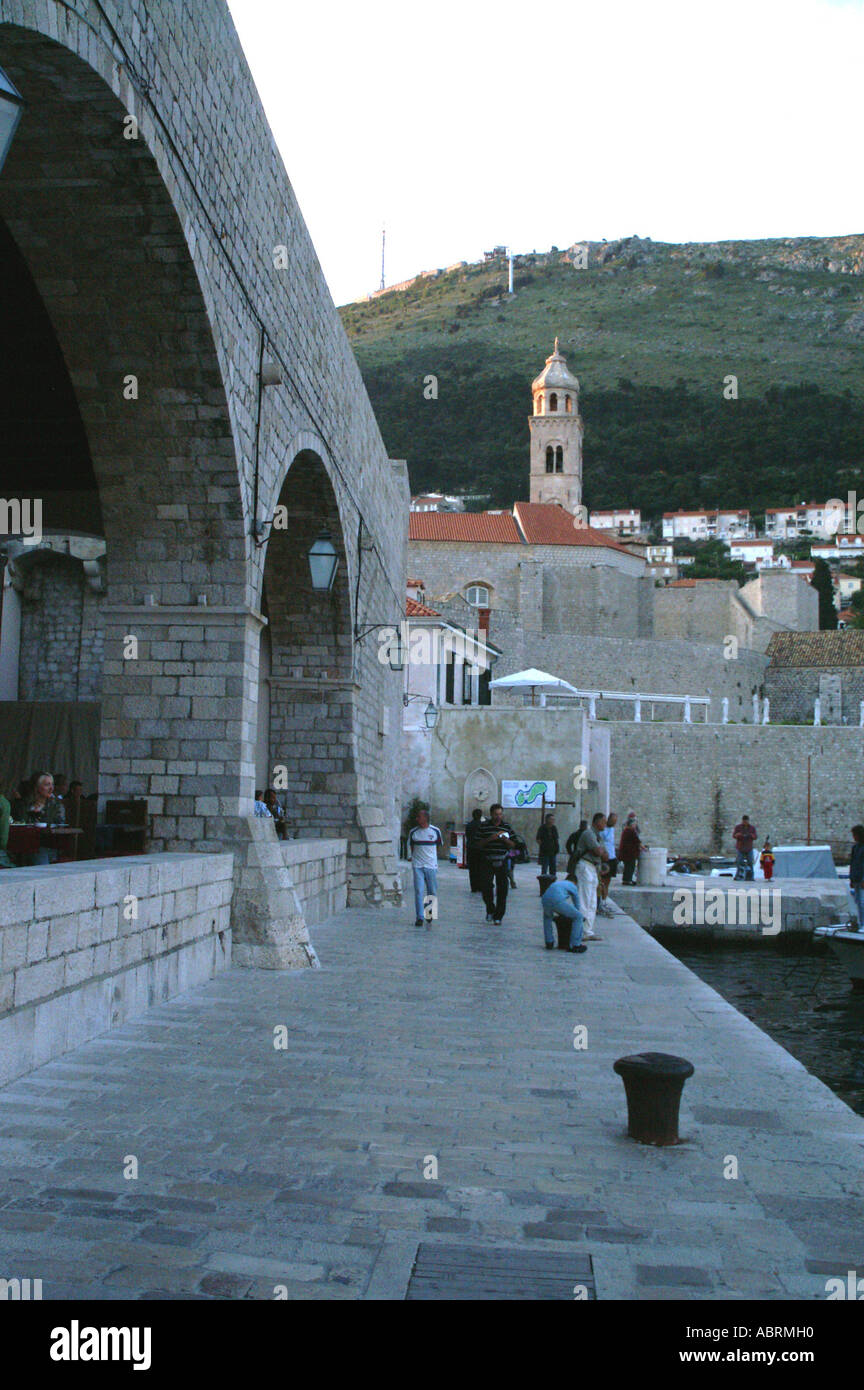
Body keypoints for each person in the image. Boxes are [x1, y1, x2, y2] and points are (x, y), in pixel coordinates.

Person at [477, 802, 517, 925]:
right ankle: (490, 908)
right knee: (486, 887)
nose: (498, 816)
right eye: (496, 814)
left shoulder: (507, 827)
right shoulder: (484, 827)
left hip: (502, 860)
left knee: (502, 889)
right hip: (487, 861)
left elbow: (514, 844)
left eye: (500, 814)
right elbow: (477, 844)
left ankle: (498, 915)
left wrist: (505, 839)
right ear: (491, 814)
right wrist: (491, 838)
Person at [571, 811, 609, 940]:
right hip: (585, 866)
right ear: (596, 822)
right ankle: (579, 931)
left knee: (592, 901)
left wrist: (601, 852)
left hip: (593, 868)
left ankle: (588, 931)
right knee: (584, 899)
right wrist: (601, 851)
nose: (605, 824)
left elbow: (606, 855)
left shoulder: (598, 836)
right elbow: (599, 852)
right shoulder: (588, 834)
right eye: (603, 821)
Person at [407, 807, 442, 928]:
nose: (417, 819)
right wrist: (413, 858)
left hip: (431, 865)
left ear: (425, 818)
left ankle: (430, 912)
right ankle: (419, 917)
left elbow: (437, 846)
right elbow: (411, 846)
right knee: (419, 890)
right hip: (418, 865)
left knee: (432, 890)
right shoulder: (414, 832)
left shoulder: (435, 831)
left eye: (419, 817)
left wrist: (432, 859)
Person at [23, 772, 66, 865]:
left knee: (39, 851)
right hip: (24, 843)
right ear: (37, 787)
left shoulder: (56, 805)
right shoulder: (25, 804)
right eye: (47, 785)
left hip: (47, 844)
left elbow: (60, 824)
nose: (51, 788)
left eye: (52, 784)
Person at [540, 871, 587, 953]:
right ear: (575, 882)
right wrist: (577, 913)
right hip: (557, 899)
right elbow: (576, 902)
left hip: (545, 899)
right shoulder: (573, 885)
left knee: (547, 918)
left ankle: (549, 942)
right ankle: (576, 945)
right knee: (578, 917)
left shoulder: (559, 883)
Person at [618, 813, 645, 885]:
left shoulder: (626, 830)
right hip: (629, 853)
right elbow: (637, 841)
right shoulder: (630, 831)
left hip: (627, 852)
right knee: (630, 867)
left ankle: (627, 879)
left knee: (628, 866)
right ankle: (627, 880)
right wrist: (644, 848)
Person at [464, 808, 486, 892]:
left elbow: (468, 836)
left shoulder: (469, 825)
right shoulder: (483, 825)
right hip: (481, 849)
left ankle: (474, 887)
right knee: (481, 869)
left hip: (471, 849)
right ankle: (480, 886)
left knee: (472, 869)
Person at [732, 814, 758, 881]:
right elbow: (734, 835)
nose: (745, 822)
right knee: (739, 862)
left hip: (749, 848)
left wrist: (751, 836)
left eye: (746, 821)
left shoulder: (752, 828)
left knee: (750, 862)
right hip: (740, 848)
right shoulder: (738, 827)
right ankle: (738, 876)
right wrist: (738, 835)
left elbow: (755, 837)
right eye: (744, 821)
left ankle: (750, 877)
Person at [849, 825, 864, 931]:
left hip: (862, 879)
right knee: (858, 902)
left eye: (854, 834)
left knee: (863, 902)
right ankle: (860, 922)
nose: (853, 837)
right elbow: (853, 863)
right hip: (856, 878)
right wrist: (851, 879)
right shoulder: (855, 847)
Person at [536, 813, 560, 877]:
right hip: (545, 852)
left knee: (553, 868)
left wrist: (556, 847)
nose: (552, 821)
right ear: (547, 819)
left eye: (553, 819)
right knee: (544, 868)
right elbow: (538, 839)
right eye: (551, 819)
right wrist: (543, 846)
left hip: (553, 851)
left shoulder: (554, 828)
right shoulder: (542, 828)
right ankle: (544, 881)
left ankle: (553, 880)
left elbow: (556, 839)